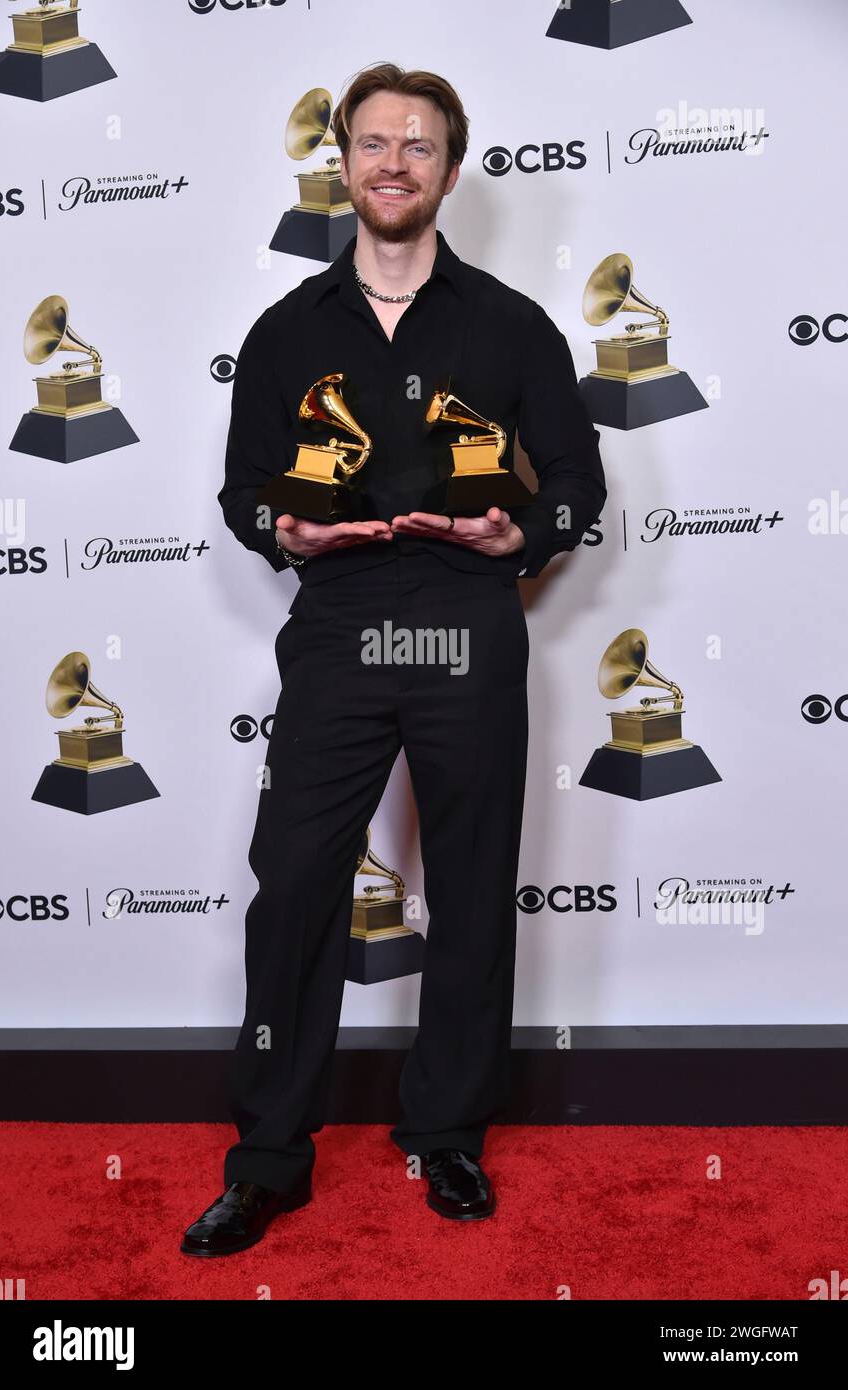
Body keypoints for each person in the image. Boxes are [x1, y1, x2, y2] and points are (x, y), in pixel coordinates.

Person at [181, 61, 606, 1257]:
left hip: (469, 616)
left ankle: (451, 1134)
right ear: (343, 162)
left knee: (470, 883)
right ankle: (269, 1155)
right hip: (341, 623)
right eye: (372, 143)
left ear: (450, 171)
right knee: (297, 883)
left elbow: (578, 482)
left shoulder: (513, 325)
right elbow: (240, 492)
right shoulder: (282, 332)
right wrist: (286, 527)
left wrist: (520, 530)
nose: (391, 163)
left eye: (417, 146)